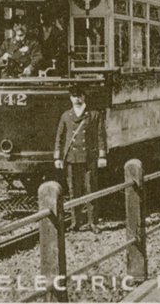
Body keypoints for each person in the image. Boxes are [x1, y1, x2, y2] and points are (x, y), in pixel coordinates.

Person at [53, 85, 108, 231]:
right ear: (70, 98)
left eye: (79, 96)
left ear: (84, 97)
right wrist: (57, 158)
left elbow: (101, 136)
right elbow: (59, 138)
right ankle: (75, 222)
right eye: (73, 96)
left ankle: (93, 222)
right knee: (73, 190)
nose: (76, 99)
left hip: (89, 158)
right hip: (72, 158)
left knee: (91, 189)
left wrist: (102, 156)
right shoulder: (66, 116)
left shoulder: (94, 115)